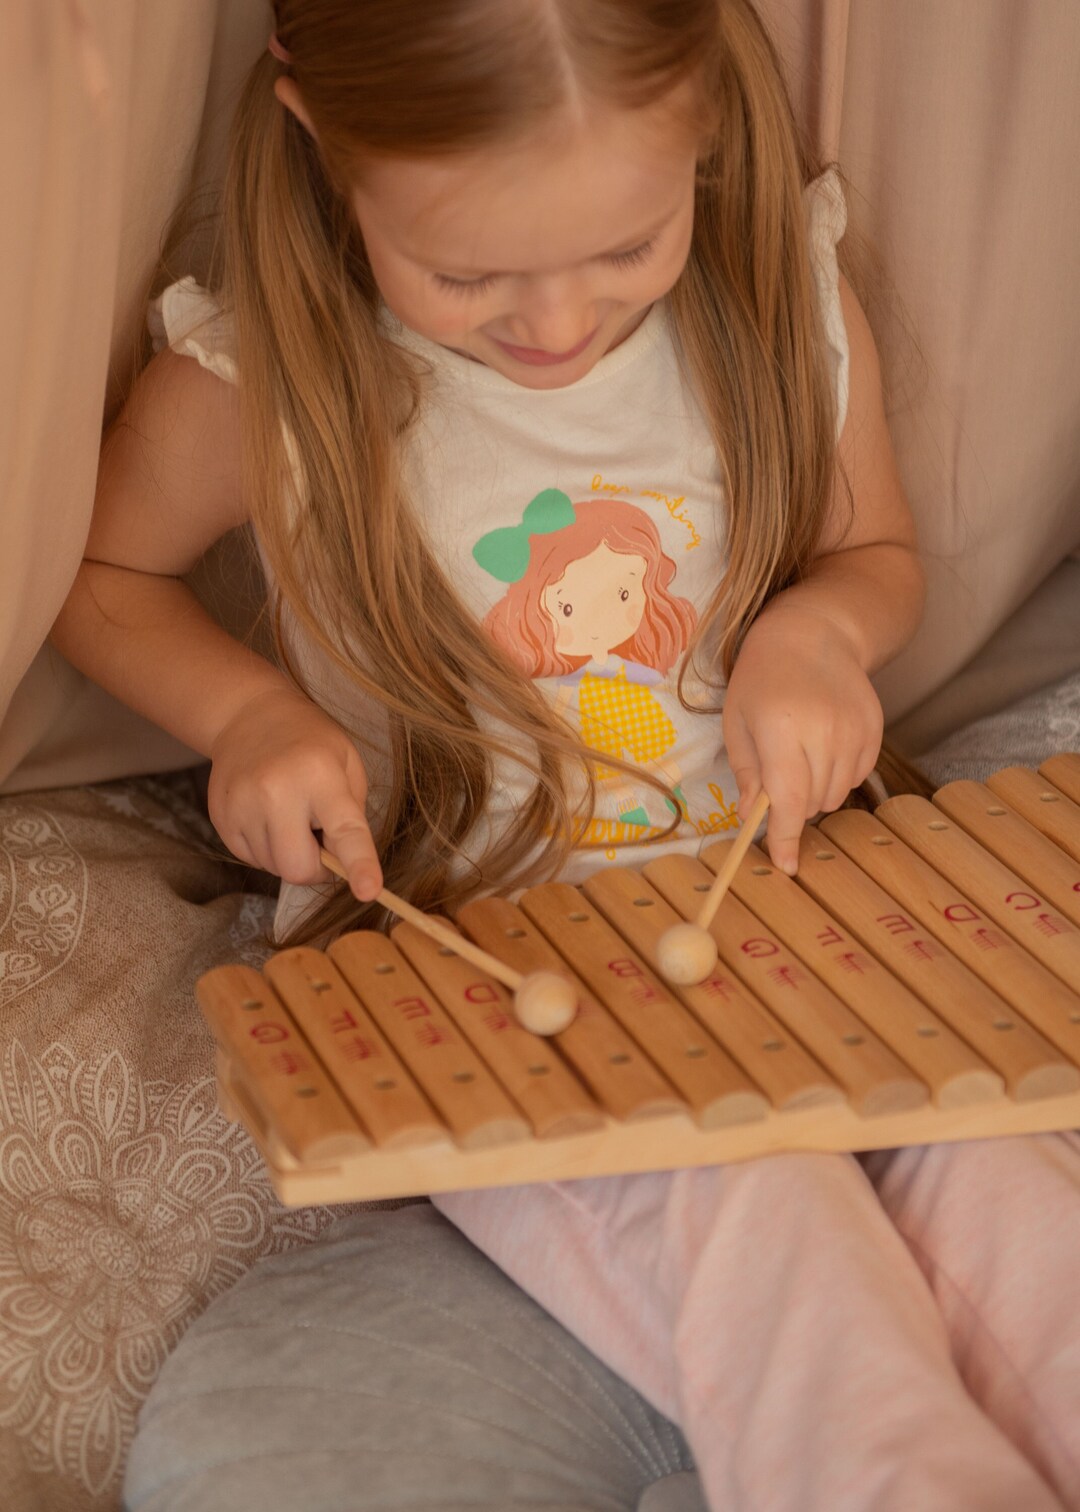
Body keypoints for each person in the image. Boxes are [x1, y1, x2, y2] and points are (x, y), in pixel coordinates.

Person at [52, 2, 1080, 1508]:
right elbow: (100, 579)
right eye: (465, 273)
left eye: (625, 248)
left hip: (800, 907)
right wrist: (250, 716)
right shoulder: (258, 381)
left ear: (705, 121)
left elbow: (875, 552)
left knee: (1016, 1200)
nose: (555, 323)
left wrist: (825, 632)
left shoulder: (781, 292)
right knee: (762, 1214)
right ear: (318, 129)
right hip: (488, 975)